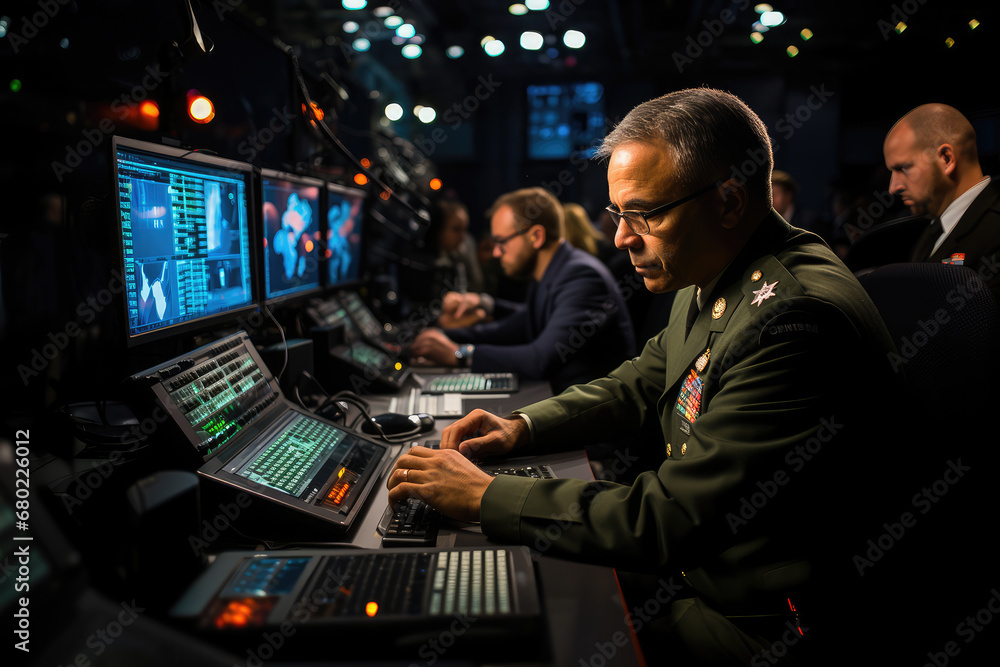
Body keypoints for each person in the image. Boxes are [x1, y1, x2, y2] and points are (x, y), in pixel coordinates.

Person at [389, 89, 915, 664]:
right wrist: (521, 428)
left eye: (647, 213)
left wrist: (487, 495)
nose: (621, 238)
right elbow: (640, 380)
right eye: (619, 213)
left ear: (730, 201)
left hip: (757, 622)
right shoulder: (714, 267)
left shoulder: (791, 318)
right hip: (705, 576)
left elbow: (670, 517)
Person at [410, 187, 635, 394]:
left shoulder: (583, 277)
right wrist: (441, 336)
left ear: (535, 236)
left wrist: (459, 354)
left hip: (593, 427)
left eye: (501, 242)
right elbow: (523, 323)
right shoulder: (557, 269)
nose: (496, 253)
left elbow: (540, 359)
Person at [883, 103, 1000, 300]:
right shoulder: (933, 226)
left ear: (946, 159)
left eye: (903, 168)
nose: (893, 187)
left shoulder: (995, 229)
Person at [770, 169, 827, 240]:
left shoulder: (810, 221)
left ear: (788, 196)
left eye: (774, 195)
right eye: (768, 196)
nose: (770, 200)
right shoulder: (768, 222)